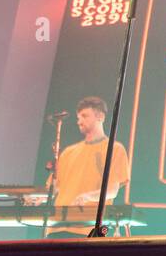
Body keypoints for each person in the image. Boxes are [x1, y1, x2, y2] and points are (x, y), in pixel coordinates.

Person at [42, 96, 131, 238]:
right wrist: (32, 198)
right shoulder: (68, 152)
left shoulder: (114, 149)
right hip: (56, 228)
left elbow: (112, 191)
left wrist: (88, 196)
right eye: (78, 117)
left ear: (100, 116)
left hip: (89, 229)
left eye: (84, 116)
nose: (80, 121)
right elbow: (53, 188)